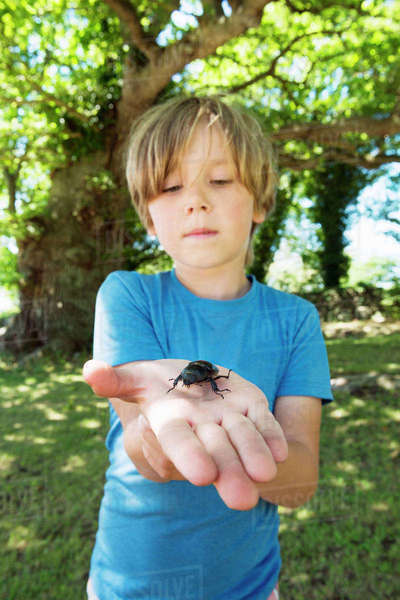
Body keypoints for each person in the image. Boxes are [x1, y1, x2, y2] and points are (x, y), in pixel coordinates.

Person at [83, 95, 333, 600]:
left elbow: (301, 480)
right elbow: (147, 440)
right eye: (171, 186)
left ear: (260, 201)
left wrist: (244, 450)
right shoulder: (127, 295)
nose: (195, 199)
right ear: (149, 218)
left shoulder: (296, 320)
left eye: (219, 180)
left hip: (249, 586)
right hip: (127, 583)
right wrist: (163, 420)